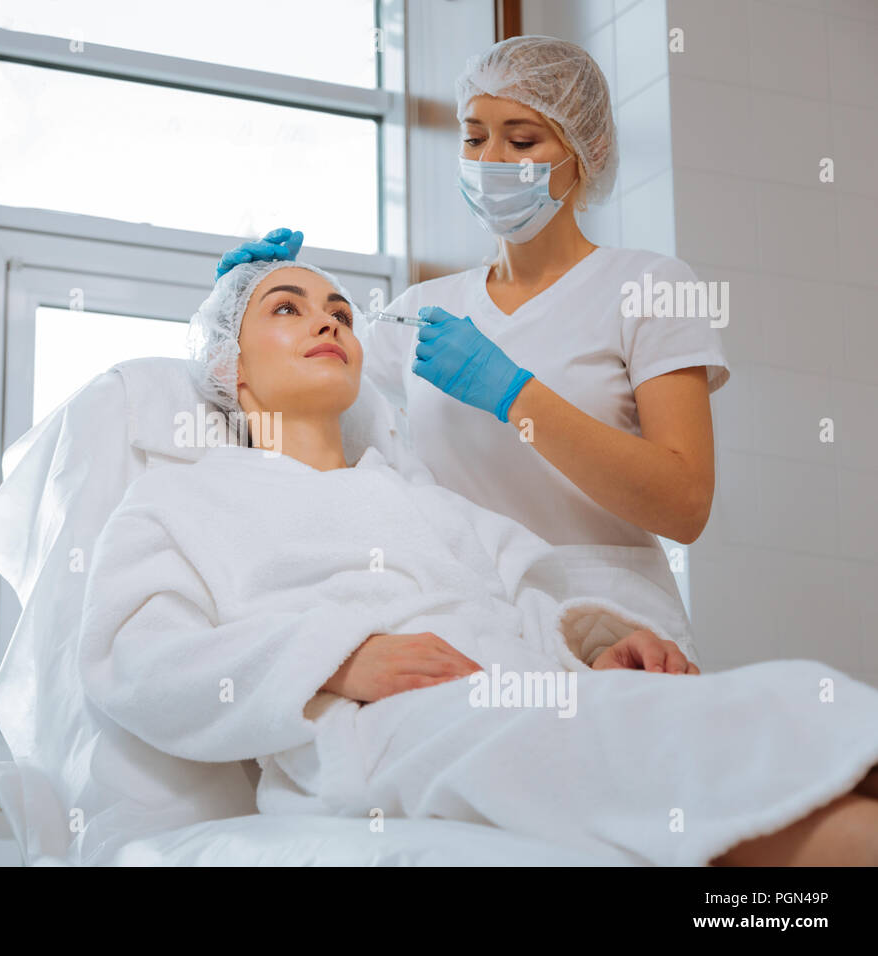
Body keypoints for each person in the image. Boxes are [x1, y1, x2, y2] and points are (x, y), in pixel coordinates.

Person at [78, 259, 878, 866]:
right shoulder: (180, 501)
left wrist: (601, 650)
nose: (328, 324)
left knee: (759, 696)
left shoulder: (428, 502)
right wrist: (338, 662)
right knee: (683, 753)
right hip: (384, 734)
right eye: (287, 309)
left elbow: (534, 606)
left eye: (341, 313)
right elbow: (137, 662)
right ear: (229, 366)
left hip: (524, 703)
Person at [217, 36, 730, 646]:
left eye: (521, 140)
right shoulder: (418, 315)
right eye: (473, 136)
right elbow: (280, 415)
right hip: (477, 620)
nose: (490, 160)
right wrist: (241, 305)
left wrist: (517, 396)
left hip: (627, 629)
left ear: (583, 151)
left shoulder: (648, 286)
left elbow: (685, 504)